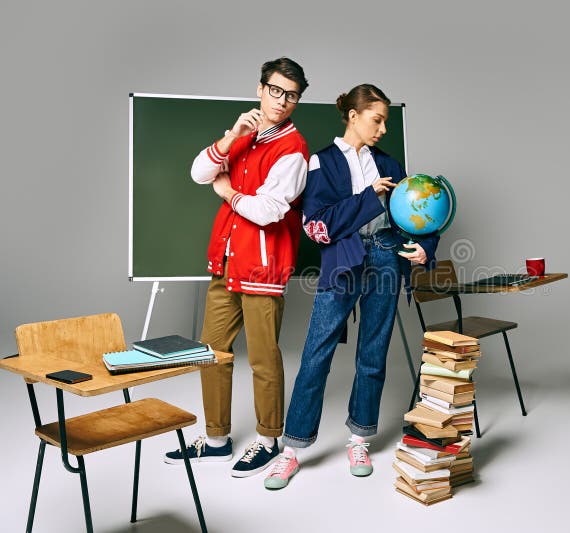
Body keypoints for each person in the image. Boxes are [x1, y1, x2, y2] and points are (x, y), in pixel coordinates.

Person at [262, 84, 439, 490]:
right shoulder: (320, 163)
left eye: (386, 122)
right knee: (316, 355)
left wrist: (424, 249)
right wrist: (370, 197)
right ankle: (290, 450)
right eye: (376, 120)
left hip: (386, 258)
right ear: (353, 116)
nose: (382, 129)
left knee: (374, 354)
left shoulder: (390, 162)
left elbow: (420, 214)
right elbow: (318, 227)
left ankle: (359, 438)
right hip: (343, 261)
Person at [164, 57, 309, 478]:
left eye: (291, 95)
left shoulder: (293, 150)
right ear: (261, 88)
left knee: (263, 360)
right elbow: (197, 172)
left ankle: (268, 440)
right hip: (225, 263)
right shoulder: (244, 134)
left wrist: (227, 193)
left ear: (298, 101)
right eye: (276, 90)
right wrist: (230, 138)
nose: (281, 101)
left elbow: (268, 211)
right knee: (211, 354)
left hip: (263, 269)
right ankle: (215, 439)